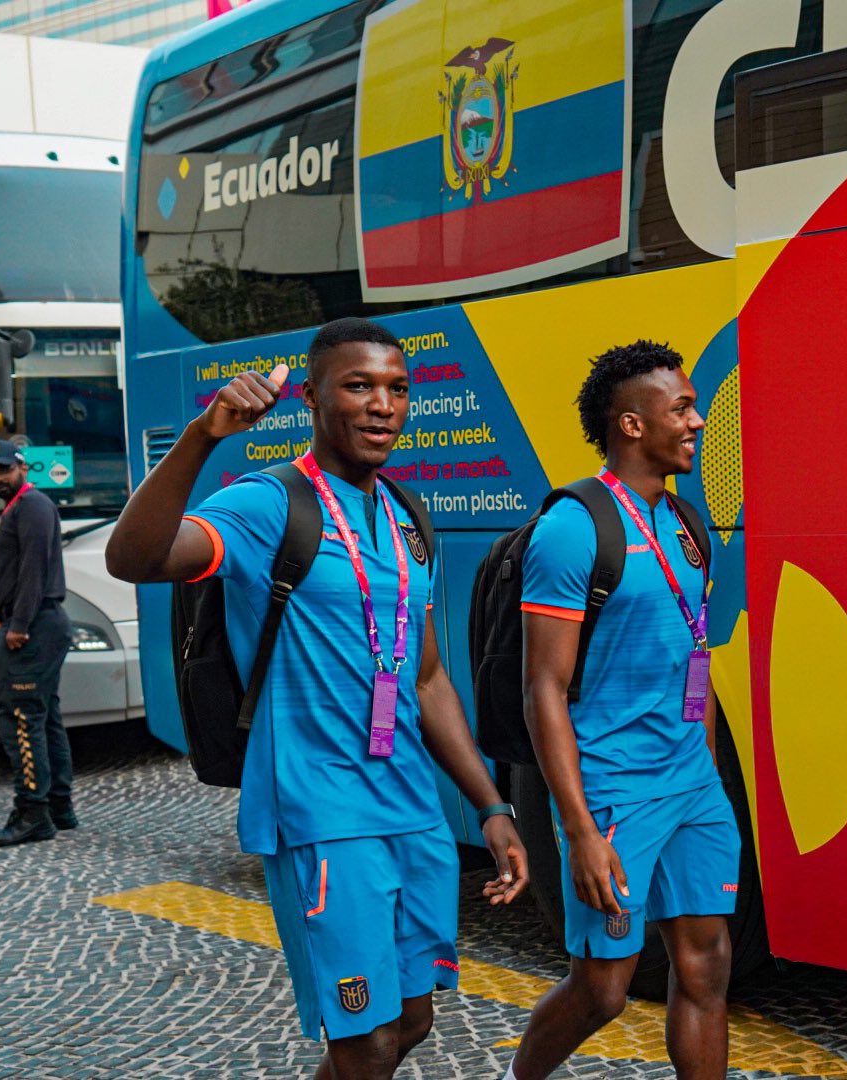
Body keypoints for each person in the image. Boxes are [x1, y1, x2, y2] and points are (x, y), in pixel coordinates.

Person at [105, 317, 528, 1080]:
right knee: (364, 1039)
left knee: (413, 1019)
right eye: (358, 386)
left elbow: (428, 678)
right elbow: (134, 557)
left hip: (413, 809)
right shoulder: (272, 503)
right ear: (311, 398)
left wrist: (491, 807)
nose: (382, 405)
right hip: (320, 814)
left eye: (397, 389)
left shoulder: (407, 518)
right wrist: (204, 437)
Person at [506, 341, 739, 1080]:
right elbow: (543, 685)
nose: (698, 422)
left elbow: (694, 656)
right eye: (682, 409)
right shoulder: (574, 528)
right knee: (604, 989)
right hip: (614, 791)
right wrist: (578, 831)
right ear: (632, 425)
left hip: (690, 785)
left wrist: (701, 764)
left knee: (706, 968)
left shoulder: (687, 523)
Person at [0, 438, 75, 848]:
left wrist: (17, 625)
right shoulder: (19, 507)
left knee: (21, 719)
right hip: (34, 624)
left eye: (3, 469)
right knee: (45, 716)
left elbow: (33, 571)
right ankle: (58, 806)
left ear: (22, 468)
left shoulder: (32, 506)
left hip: (34, 628)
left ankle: (32, 813)